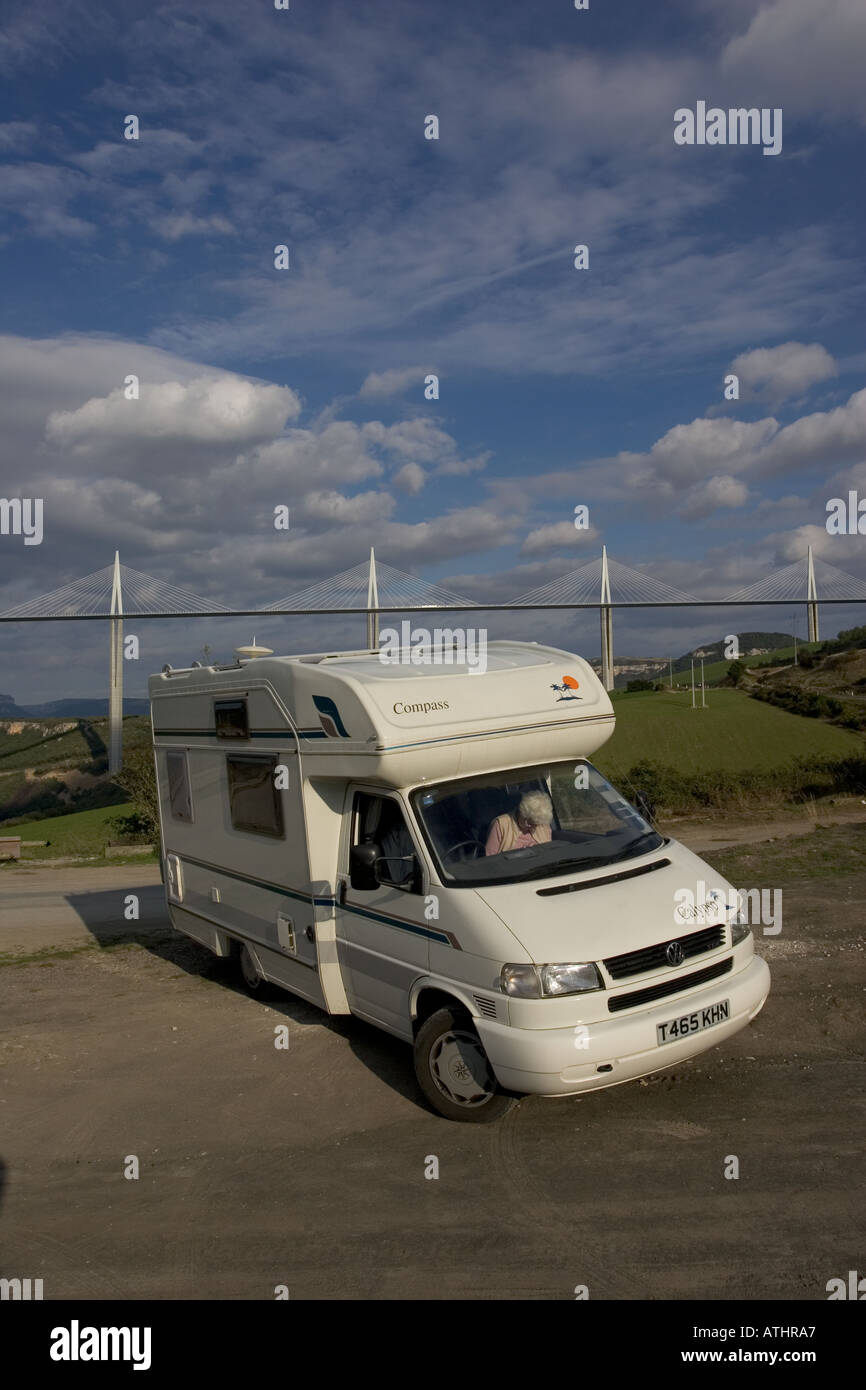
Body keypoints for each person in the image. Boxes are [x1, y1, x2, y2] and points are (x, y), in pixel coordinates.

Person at [485, 791, 554, 856]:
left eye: (534, 823)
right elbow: (490, 858)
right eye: (526, 819)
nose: (528, 825)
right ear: (521, 811)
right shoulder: (501, 824)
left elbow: (549, 853)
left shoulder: (543, 824)